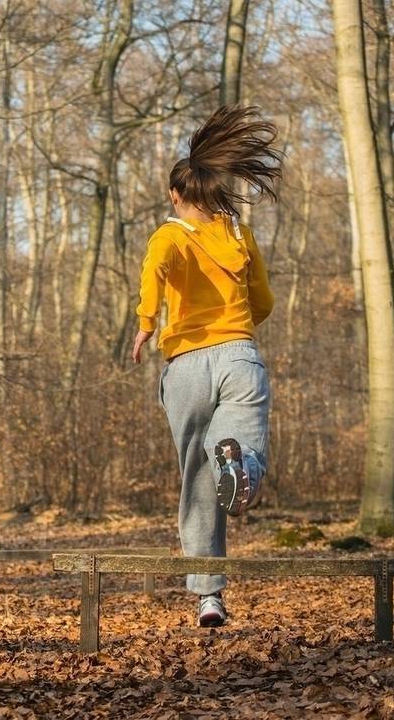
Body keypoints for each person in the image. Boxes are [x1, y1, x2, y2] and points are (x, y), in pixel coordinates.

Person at [131, 104, 282, 628]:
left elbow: (155, 270)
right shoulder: (238, 236)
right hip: (238, 355)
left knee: (197, 478)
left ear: (177, 194)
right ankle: (240, 466)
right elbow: (262, 301)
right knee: (242, 443)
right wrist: (239, 323)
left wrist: (147, 321)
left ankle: (208, 596)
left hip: (186, 364)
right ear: (214, 190)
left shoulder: (170, 235)